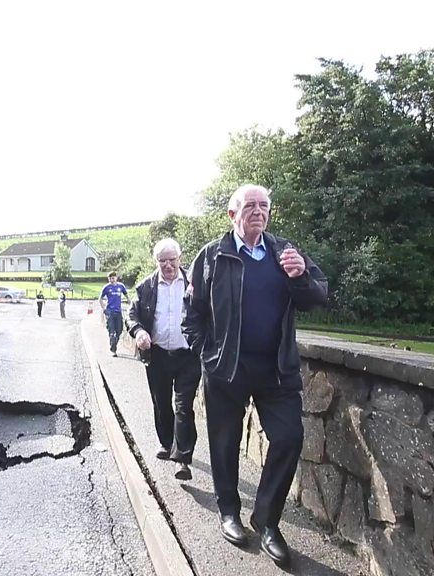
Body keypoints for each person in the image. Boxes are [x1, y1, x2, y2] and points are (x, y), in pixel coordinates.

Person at [184, 184, 327, 567]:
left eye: (264, 206)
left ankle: (266, 521)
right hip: (226, 369)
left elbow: (317, 297)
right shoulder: (212, 255)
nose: (258, 212)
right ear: (233, 214)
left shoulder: (286, 252)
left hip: (276, 370)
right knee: (225, 443)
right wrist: (206, 354)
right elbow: (192, 314)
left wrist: (300, 278)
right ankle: (228, 511)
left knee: (289, 437)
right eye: (250, 206)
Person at [126, 238, 200, 480]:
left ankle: (182, 460)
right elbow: (132, 315)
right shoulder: (146, 286)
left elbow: (208, 311)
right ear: (155, 261)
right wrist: (139, 332)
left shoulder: (194, 282)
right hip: (157, 355)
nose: (168, 265)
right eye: (162, 261)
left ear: (180, 258)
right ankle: (166, 443)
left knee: (183, 406)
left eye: (172, 260)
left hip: (188, 355)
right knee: (161, 403)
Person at [99, 272, 129, 356]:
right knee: (112, 332)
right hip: (110, 312)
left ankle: (114, 344)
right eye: (110, 278)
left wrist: (131, 304)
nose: (112, 279)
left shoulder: (121, 286)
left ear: (116, 278)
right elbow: (100, 299)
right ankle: (113, 350)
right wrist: (104, 309)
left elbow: (127, 297)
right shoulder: (107, 287)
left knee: (119, 331)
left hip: (118, 312)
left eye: (113, 278)